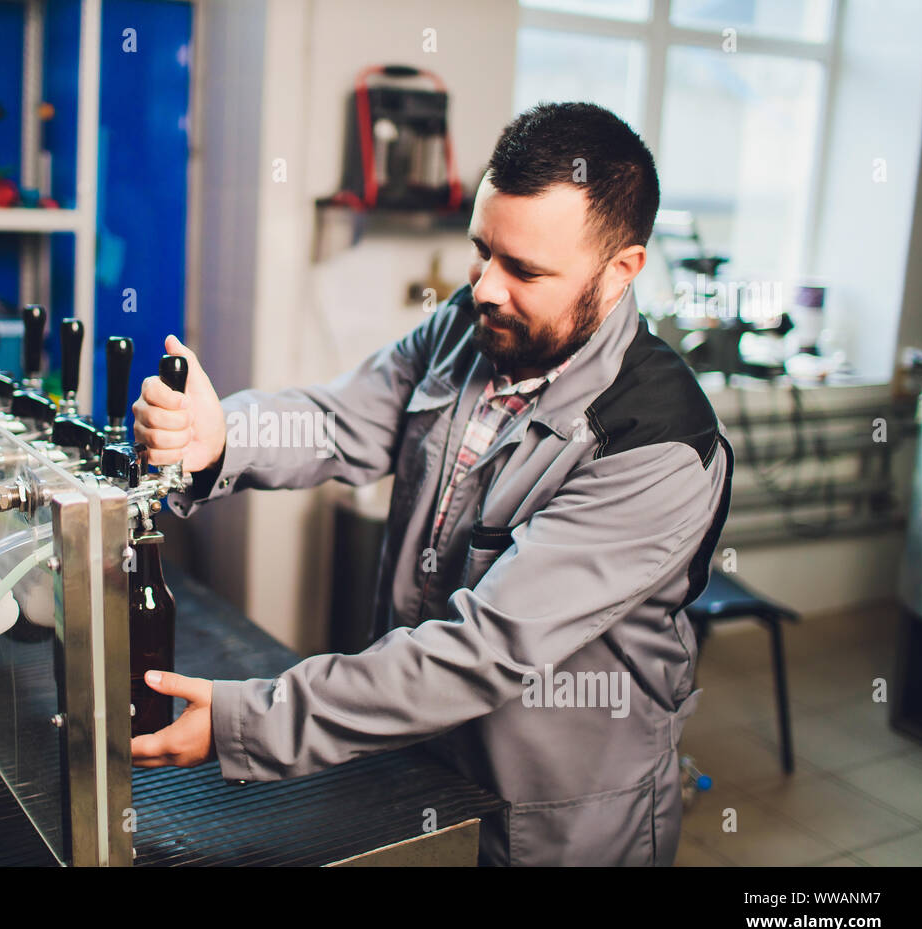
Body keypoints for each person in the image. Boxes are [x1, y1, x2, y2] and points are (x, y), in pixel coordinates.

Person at [129, 102, 733, 866]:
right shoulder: (467, 327)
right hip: (424, 762)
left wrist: (251, 719)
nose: (485, 287)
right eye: (483, 251)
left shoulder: (657, 445)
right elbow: (342, 421)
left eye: (524, 270)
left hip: (560, 817)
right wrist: (221, 437)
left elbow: (482, 652)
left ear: (622, 270)